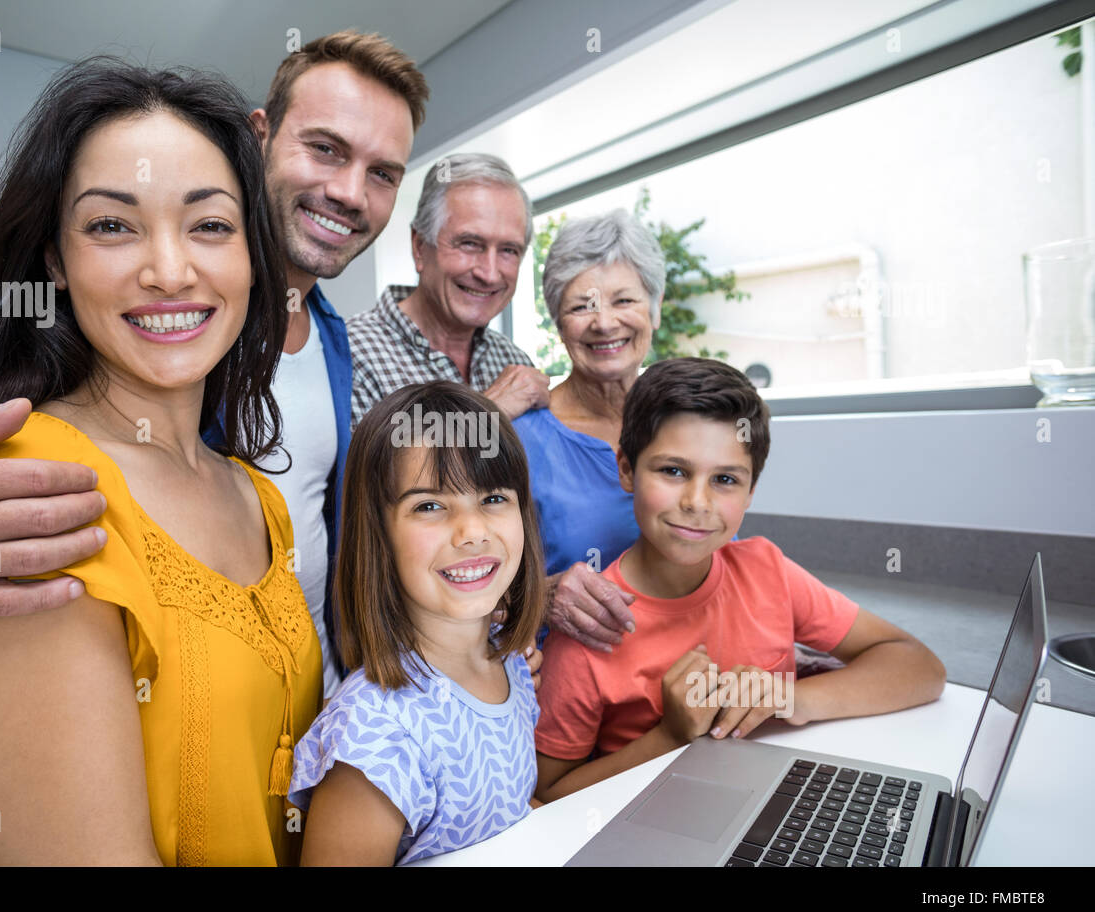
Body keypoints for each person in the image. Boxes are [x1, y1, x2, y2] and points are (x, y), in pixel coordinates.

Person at [0, 31, 429, 702]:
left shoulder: (336, 338)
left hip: (308, 704)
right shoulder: (121, 336)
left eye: (382, 173)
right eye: (325, 149)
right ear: (260, 136)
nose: (348, 191)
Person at [0, 58, 321, 865]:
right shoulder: (21, 489)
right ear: (53, 262)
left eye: (210, 225)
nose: (170, 270)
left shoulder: (255, 493)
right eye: (112, 225)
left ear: (254, 254)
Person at [533, 358, 946, 802]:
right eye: (673, 471)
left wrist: (790, 698)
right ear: (627, 470)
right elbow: (550, 793)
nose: (697, 502)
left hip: (776, 802)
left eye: (725, 479)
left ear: (750, 492)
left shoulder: (767, 571)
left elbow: (919, 666)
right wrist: (670, 735)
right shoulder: (590, 627)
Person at [289, 382, 545, 865]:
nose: (472, 532)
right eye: (429, 506)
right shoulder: (375, 735)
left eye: (493, 498)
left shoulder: (511, 664)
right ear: (377, 535)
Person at [512, 209, 664, 653]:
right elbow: (459, 582)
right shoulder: (520, 438)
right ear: (559, 324)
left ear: (654, 309)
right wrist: (537, 599)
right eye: (582, 306)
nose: (604, 323)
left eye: (624, 300)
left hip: (683, 672)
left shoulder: (684, 423)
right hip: (562, 689)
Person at [346, 153, 551, 426]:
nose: (489, 274)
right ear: (419, 247)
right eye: (469, 243)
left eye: (508, 250)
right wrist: (487, 413)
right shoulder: (350, 356)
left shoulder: (513, 360)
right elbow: (367, 470)